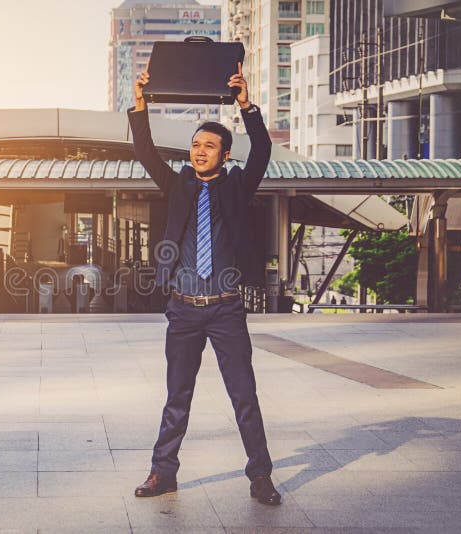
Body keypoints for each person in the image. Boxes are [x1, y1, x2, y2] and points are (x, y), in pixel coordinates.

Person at [128, 61, 280, 506]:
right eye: (195, 145)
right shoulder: (178, 186)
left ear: (224, 154)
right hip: (184, 309)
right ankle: (163, 473)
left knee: (244, 398)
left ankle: (261, 478)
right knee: (177, 397)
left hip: (226, 308)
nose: (199, 151)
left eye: (209, 146)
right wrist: (141, 106)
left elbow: (264, 150)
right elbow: (145, 151)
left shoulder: (237, 186)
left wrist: (247, 106)